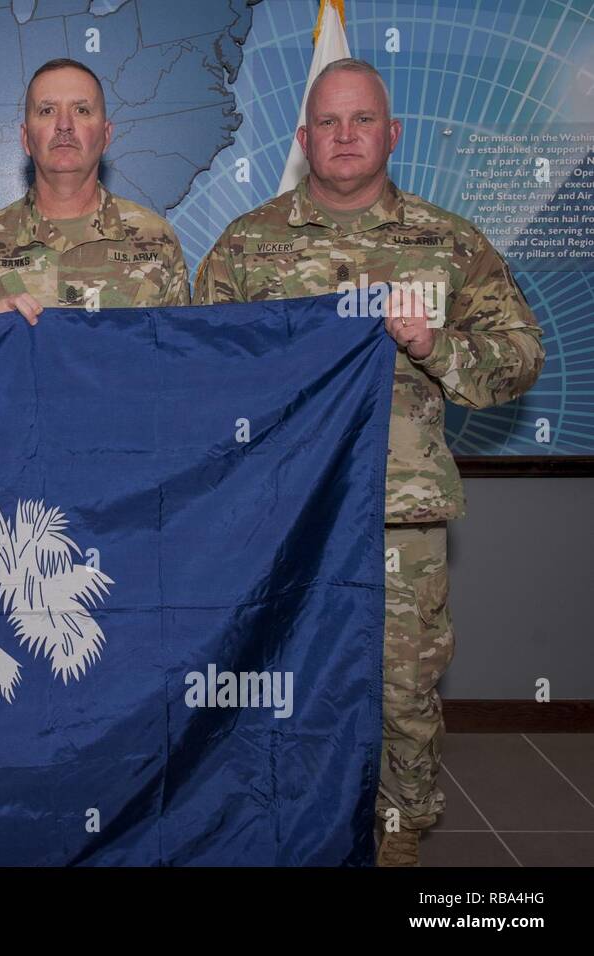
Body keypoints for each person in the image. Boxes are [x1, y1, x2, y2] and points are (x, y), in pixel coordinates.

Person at [194, 58, 545, 866]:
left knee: (401, 693)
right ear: (303, 138)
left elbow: (521, 355)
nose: (344, 136)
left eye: (361, 121)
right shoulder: (249, 246)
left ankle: (397, 840)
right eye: (327, 122)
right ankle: (273, 830)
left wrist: (435, 344)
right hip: (276, 516)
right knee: (267, 681)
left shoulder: (448, 242)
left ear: (392, 134)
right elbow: (198, 368)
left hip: (397, 513)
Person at [0, 58, 189, 324]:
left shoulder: (158, 241)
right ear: (25, 138)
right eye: (47, 111)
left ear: (106, 136)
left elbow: (181, 357)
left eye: (81, 110)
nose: (64, 124)